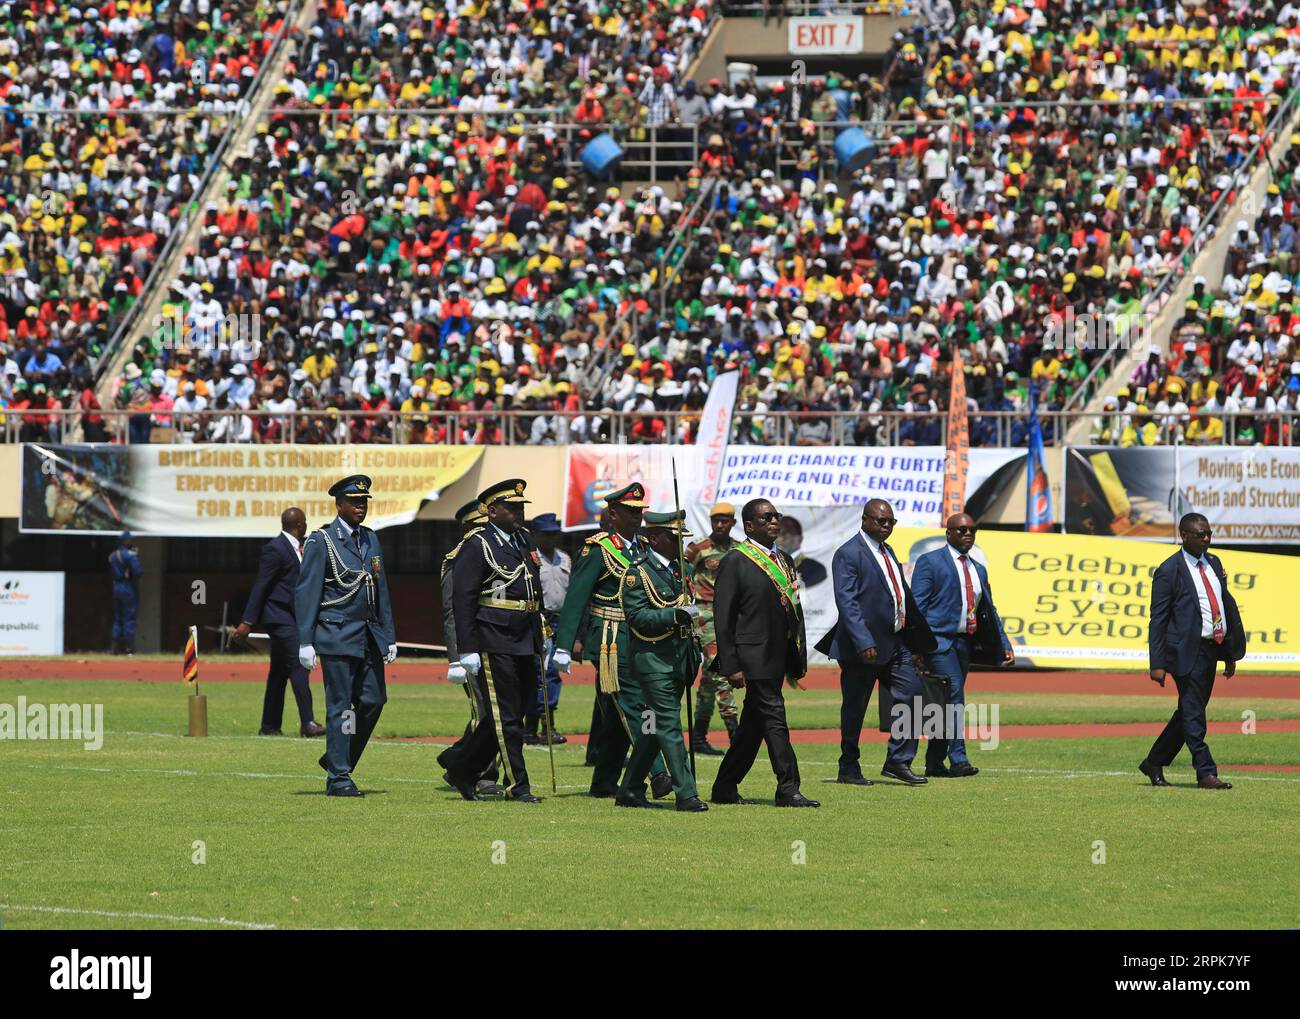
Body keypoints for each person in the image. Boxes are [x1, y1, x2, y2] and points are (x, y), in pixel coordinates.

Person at [554, 483, 673, 800]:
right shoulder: (598, 549)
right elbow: (576, 598)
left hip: (643, 638)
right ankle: (658, 772)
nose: (637, 518)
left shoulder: (644, 548)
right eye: (630, 512)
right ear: (613, 514)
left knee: (622, 714)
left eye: (639, 512)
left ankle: (605, 780)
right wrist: (564, 645)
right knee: (634, 706)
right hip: (611, 639)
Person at [814, 499, 937, 786]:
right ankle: (848, 766)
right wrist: (863, 640)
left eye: (890, 522)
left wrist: (914, 642)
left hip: (895, 642)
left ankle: (898, 760)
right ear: (865, 520)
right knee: (855, 707)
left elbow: (900, 595)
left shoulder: (888, 551)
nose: (886, 527)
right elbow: (847, 601)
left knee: (914, 694)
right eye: (881, 521)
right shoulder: (848, 553)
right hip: (863, 648)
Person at [710, 498, 818, 808]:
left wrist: (797, 655)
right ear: (749, 526)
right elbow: (723, 616)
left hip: (777, 654)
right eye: (766, 517)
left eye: (776, 516)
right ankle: (788, 787)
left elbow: (793, 611)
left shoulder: (784, 558)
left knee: (752, 727)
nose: (774, 521)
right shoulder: (735, 560)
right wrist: (730, 663)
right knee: (774, 718)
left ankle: (724, 787)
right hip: (751, 656)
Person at [294, 475, 397, 797]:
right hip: (336, 632)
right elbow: (307, 591)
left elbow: (379, 590)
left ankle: (338, 757)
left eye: (364, 502)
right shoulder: (322, 540)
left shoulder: (370, 539)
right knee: (341, 707)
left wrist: (389, 636)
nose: (360, 507)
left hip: (367, 634)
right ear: (338, 504)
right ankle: (339, 778)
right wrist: (305, 640)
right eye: (354, 502)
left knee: (374, 700)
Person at [444, 479, 544, 804]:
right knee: (508, 717)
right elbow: (463, 599)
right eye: (511, 507)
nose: (518, 512)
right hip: (494, 635)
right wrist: (467, 649)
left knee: (516, 712)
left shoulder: (523, 540)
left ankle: (461, 766)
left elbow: (533, 590)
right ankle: (518, 785)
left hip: (524, 635)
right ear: (490, 510)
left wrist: (540, 637)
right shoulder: (478, 544)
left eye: (520, 507)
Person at [1141, 513, 1247, 790]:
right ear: (1184, 535)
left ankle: (1154, 760)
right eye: (1201, 534)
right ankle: (1205, 772)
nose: (1207, 538)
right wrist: (1157, 662)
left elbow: (1223, 606)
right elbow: (1158, 619)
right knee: (1193, 713)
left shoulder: (1214, 563)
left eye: (1209, 533)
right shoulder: (1169, 570)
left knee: (1190, 710)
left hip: (1212, 648)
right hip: (1184, 652)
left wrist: (1229, 653)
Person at [909, 513, 1014, 778]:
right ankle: (959, 760)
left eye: (972, 530)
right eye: (962, 530)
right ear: (949, 533)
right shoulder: (930, 562)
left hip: (964, 644)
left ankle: (934, 762)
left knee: (943, 704)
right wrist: (915, 647)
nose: (968, 534)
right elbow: (917, 606)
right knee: (954, 698)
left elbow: (989, 609)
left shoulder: (978, 568)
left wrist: (1004, 643)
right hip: (938, 643)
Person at [616, 511, 708, 812]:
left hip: (681, 657)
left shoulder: (680, 570)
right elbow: (637, 617)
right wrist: (674, 615)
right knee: (668, 722)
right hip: (653, 659)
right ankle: (687, 794)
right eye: (672, 537)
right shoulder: (638, 572)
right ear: (654, 538)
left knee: (652, 727)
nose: (678, 543)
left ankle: (629, 789)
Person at [234, 507, 325, 738]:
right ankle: (307, 722)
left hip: (293, 617)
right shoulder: (276, 549)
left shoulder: (299, 548)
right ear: (300, 525)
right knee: (298, 666)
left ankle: (269, 726)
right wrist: (247, 621)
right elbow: (261, 586)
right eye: (304, 523)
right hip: (280, 618)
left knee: (278, 673)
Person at [436, 499, 505, 797]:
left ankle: (457, 758)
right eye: (478, 526)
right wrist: (456, 658)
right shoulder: (459, 557)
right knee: (485, 714)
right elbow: (453, 611)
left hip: (500, 645)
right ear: (466, 528)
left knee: (500, 713)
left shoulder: (498, 552)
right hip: (472, 649)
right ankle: (483, 773)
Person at [684, 502, 740, 756]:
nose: (719, 525)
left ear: (732, 523)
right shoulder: (699, 549)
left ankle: (698, 738)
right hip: (706, 615)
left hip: (730, 616)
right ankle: (735, 735)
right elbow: (681, 574)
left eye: (724, 521)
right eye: (715, 520)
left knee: (708, 682)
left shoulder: (739, 550)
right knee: (721, 670)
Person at [526, 512, 569, 746]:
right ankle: (535, 727)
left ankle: (545, 726)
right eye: (546, 535)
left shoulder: (565, 559)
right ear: (535, 535)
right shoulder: (531, 559)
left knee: (552, 673)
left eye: (554, 534)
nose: (551, 539)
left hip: (560, 621)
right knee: (539, 673)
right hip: (538, 621)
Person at [108, 532, 142, 655]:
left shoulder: (112, 555)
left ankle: (114, 649)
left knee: (118, 618)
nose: (132, 542)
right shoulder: (131, 555)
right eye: (130, 540)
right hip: (127, 586)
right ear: (125, 541)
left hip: (116, 586)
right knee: (129, 617)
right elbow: (138, 572)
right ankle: (129, 649)